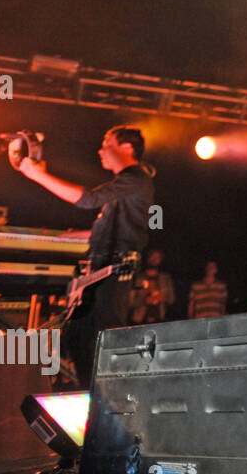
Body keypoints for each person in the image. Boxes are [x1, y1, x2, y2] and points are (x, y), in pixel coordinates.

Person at [16, 126, 153, 386]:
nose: (101, 150)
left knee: (101, 339)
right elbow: (113, 227)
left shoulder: (135, 177)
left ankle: (108, 403)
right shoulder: (125, 184)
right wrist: (73, 236)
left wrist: (39, 176)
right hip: (102, 268)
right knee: (79, 338)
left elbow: (88, 199)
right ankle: (90, 398)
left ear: (127, 148)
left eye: (107, 144)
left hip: (115, 269)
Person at [129, 249, 176, 324]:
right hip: (140, 320)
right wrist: (144, 300)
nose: (154, 260)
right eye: (152, 257)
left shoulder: (165, 278)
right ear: (148, 258)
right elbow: (130, 301)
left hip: (159, 319)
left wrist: (161, 297)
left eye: (157, 257)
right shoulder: (139, 278)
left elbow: (171, 299)